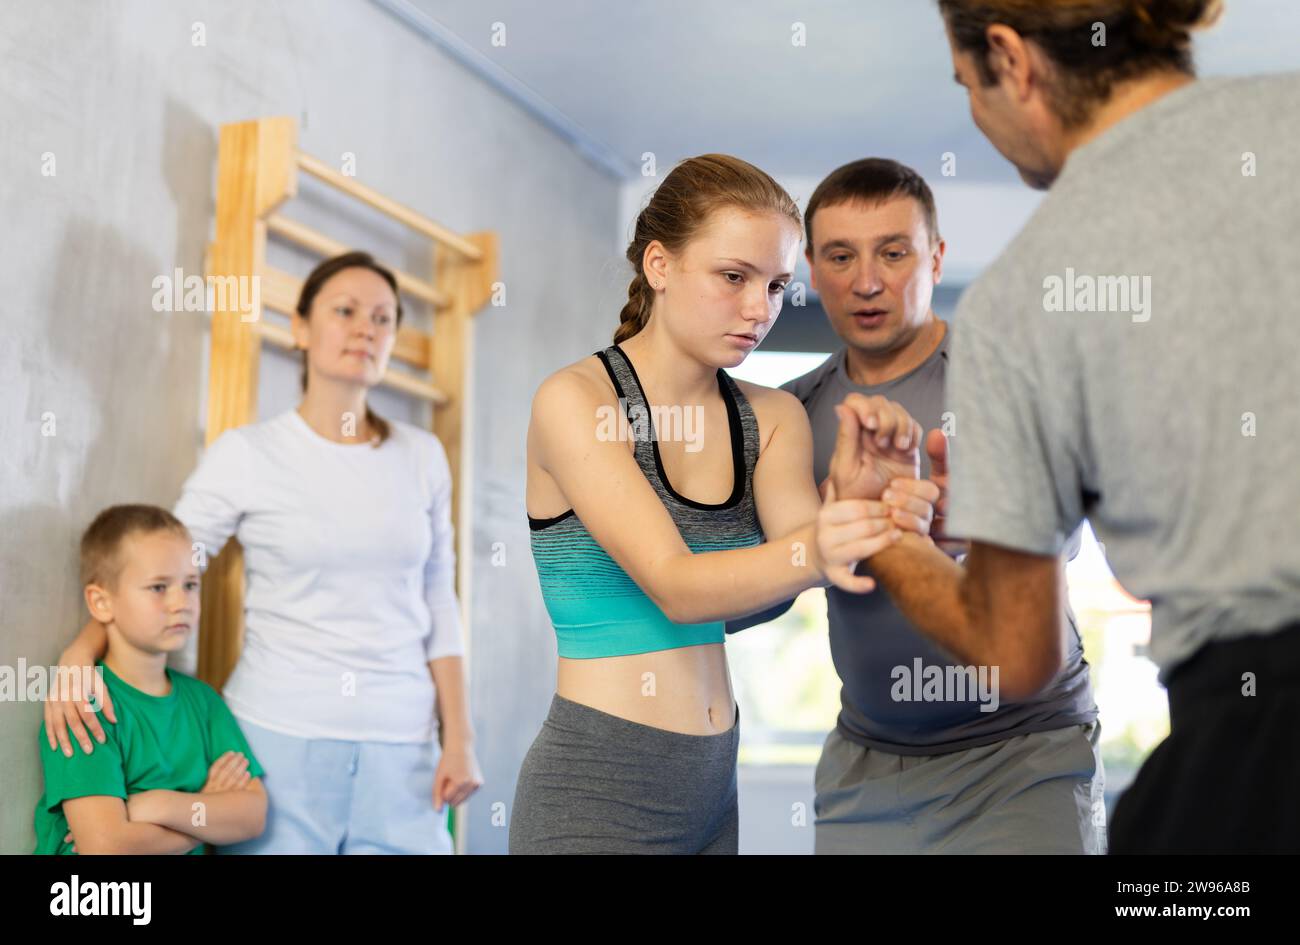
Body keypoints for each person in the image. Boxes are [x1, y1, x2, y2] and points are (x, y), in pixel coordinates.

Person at [818, 0, 1300, 853]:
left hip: (1258, 735)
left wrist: (889, 531)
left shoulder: (1024, 298)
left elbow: (1018, 654)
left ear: (1011, 58)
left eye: (969, 85)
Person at [511, 153, 941, 854]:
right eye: (734, 276)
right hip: (596, 784)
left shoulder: (771, 417)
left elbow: (801, 560)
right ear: (659, 264)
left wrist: (857, 507)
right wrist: (821, 543)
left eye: (775, 285)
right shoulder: (578, 403)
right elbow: (678, 586)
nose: (758, 310)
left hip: (713, 788)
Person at [45, 252, 482, 854]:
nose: (366, 328)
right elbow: (164, 566)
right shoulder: (247, 454)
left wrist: (459, 736)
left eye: (383, 318)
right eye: (346, 311)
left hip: (404, 745)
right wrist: (79, 653)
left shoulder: (423, 455)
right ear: (300, 328)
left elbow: (439, 598)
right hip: (277, 738)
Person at [733, 157, 1104, 853]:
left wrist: (988, 517)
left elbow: (1075, 537)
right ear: (812, 268)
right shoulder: (794, 413)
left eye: (893, 252)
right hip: (869, 763)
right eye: (841, 256)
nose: (867, 281)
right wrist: (824, 529)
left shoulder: (1005, 378)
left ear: (935, 256)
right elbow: (749, 601)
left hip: (1023, 753)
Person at [34, 505, 266, 854]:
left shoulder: (204, 702)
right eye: (159, 587)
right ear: (101, 603)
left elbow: (251, 816)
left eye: (191, 584)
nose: (181, 603)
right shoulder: (81, 704)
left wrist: (159, 805)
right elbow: (107, 847)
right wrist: (205, 812)